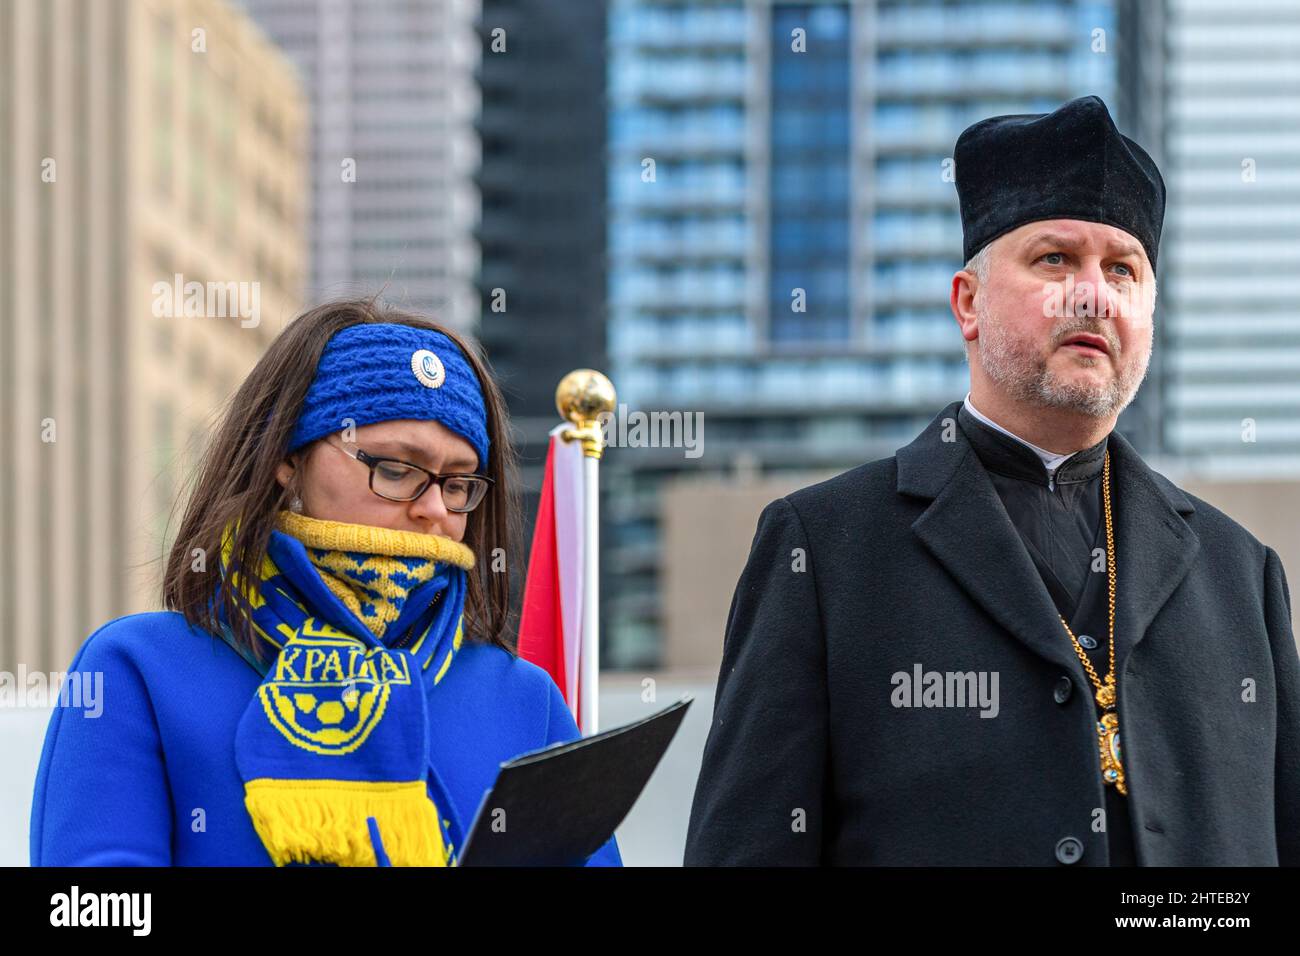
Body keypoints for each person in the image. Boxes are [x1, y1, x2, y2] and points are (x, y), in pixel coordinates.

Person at [684, 95, 1300, 866]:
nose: (1092, 294)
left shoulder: (1241, 573)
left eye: (1122, 270)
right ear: (968, 303)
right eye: (1055, 260)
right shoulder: (823, 551)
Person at [30, 298, 621, 867]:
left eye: (459, 484)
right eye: (395, 468)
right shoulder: (139, 670)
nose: (436, 510)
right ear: (289, 458)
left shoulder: (526, 700)